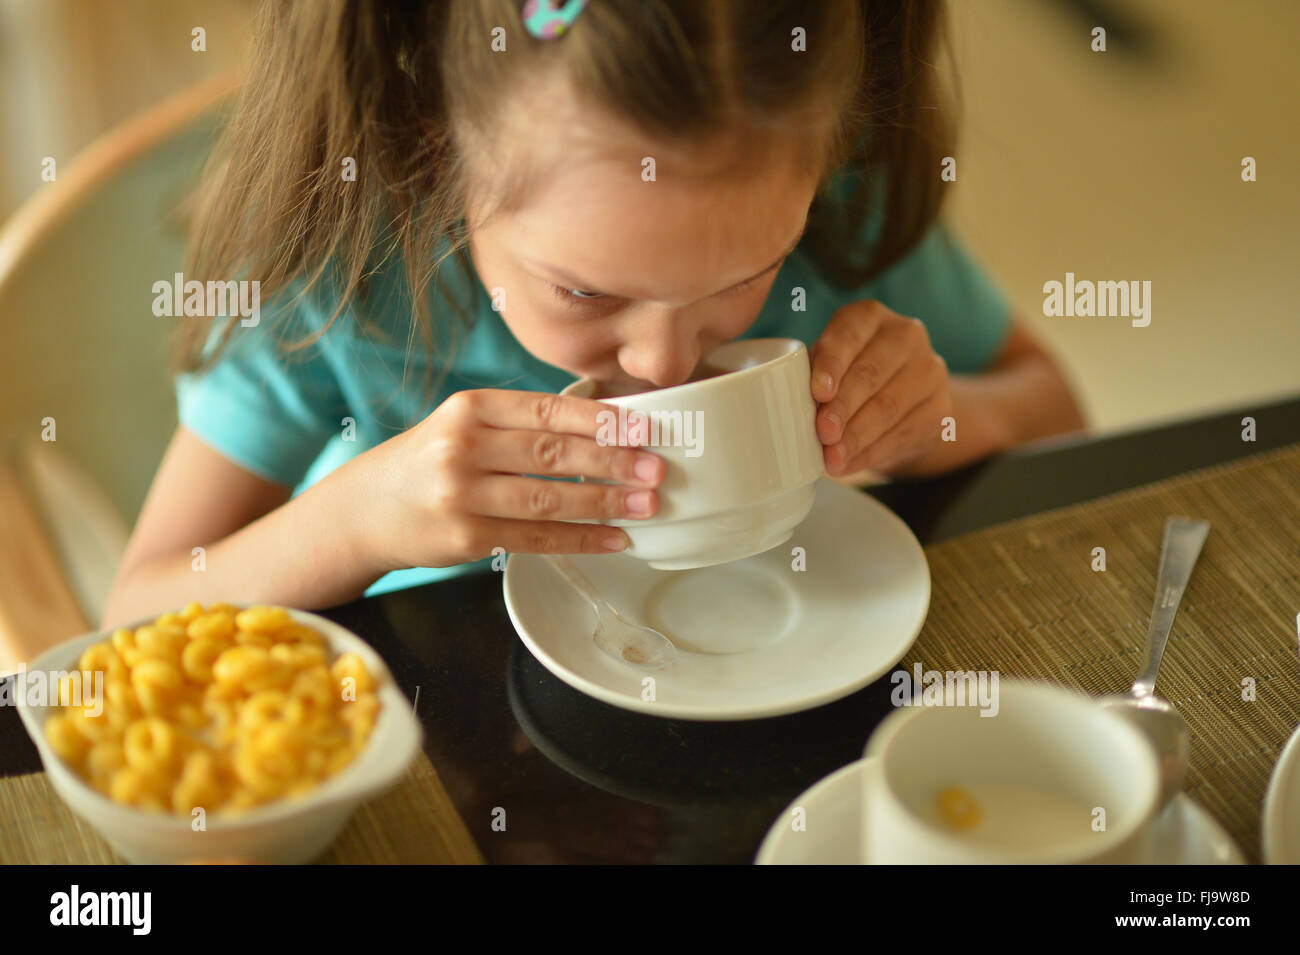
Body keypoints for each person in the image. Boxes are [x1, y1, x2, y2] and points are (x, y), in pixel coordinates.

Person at [102, 0, 1084, 626]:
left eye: (748, 272)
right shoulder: (338, 281)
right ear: (434, 150)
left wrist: (935, 417)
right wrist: (366, 519)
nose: (662, 361)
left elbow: (1057, 410)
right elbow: (135, 615)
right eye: (584, 291)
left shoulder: (848, 206)